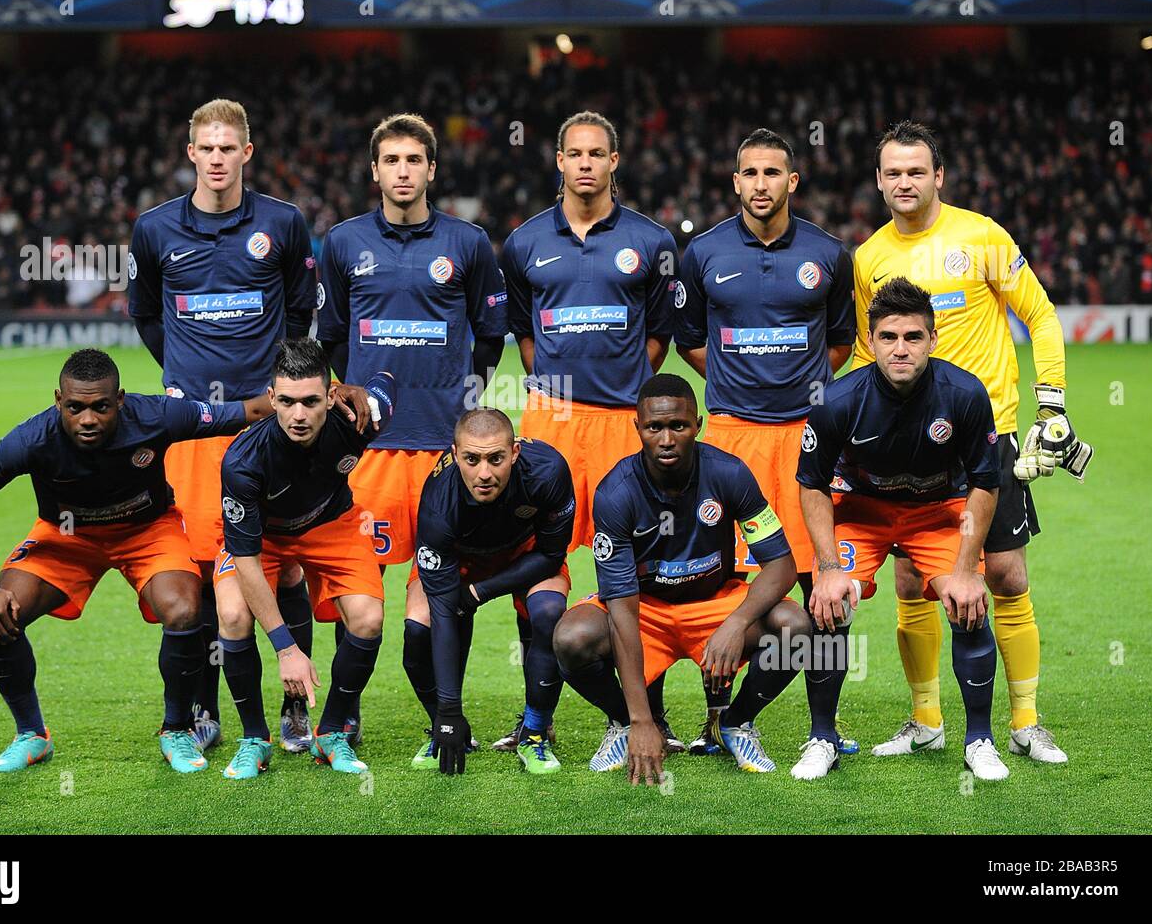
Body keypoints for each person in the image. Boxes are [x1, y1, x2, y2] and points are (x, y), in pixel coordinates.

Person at [853, 121, 1090, 763]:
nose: (905, 182)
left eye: (917, 171)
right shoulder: (869, 256)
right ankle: (925, 717)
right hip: (906, 447)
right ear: (879, 181)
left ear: (939, 177)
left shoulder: (981, 236)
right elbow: (862, 348)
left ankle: (1025, 721)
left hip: (988, 435)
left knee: (1007, 575)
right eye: (893, 172)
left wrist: (1053, 400)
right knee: (910, 582)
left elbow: (1039, 314)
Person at [0, 348, 272, 774]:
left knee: (185, 610)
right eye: (75, 407)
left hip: (147, 533)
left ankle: (177, 730)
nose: (87, 419)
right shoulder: (32, 439)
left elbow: (252, 409)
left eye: (100, 407)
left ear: (120, 400)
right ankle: (31, 735)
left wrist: (327, 395)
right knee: (3, 612)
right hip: (66, 538)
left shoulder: (158, 416)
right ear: (58, 401)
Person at [128, 98, 322, 755]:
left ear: (246, 152)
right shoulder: (154, 229)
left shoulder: (283, 222)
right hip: (192, 434)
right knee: (205, 569)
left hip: (272, 426)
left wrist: (271, 390)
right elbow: (148, 319)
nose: (216, 159)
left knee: (286, 565)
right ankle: (201, 711)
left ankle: (297, 711)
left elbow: (300, 313)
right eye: (204, 148)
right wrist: (189, 385)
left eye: (226, 147)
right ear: (191, 154)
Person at [317, 113, 508, 754]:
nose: (402, 171)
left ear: (431, 169)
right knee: (357, 594)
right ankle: (343, 714)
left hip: (440, 453)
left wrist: (459, 401)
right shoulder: (342, 243)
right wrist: (361, 396)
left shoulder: (469, 243)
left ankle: (444, 717)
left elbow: (488, 337)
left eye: (413, 160)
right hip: (367, 450)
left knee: (439, 594)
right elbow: (335, 336)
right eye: (390, 161)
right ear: (375, 170)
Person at [500, 110, 683, 754]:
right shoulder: (523, 243)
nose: (585, 164)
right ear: (558, 161)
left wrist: (620, 387)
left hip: (619, 425)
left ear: (614, 162)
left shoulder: (652, 241)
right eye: (574, 153)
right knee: (538, 568)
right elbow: (524, 334)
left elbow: (659, 336)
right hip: (549, 422)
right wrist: (555, 389)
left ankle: (646, 716)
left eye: (596, 154)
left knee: (636, 568)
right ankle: (534, 720)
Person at [674, 127, 856, 755]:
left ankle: (823, 731)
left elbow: (839, 344)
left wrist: (796, 395)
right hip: (731, 439)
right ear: (735, 180)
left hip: (807, 439)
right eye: (749, 173)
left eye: (772, 173)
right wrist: (735, 385)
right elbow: (690, 339)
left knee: (823, 587)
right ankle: (716, 721)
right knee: (721, 583)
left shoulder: (829, 254)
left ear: (792, 182)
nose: (760, 185)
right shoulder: (702, 253)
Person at [796, 277, 1008, 781]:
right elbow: (811, 484)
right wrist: (828, 568)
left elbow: (985, 482)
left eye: (913, 337)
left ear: (933, 340)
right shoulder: (836, 399)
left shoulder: (965, 393)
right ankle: (822, 736)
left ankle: (980, 739)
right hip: (862, 512)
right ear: (870, 342)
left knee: (969, 604)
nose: (901, 349)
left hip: (937, 511)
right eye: (888, 337)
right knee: (829, 605)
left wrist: (964, 569)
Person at [553, 374, 808, 783]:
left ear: (698, 425)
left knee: (796, 627)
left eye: (678, 426)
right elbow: (620, 608)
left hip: (714, 605)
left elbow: (781, 564)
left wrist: (736, 623)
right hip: (645, 610)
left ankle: (734, 723)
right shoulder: (615, 493)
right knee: (571, 638)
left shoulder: (729, 473)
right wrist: (640, 720)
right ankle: (623, 723)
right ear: (637, 427)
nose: (667, 439)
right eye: (654, 427)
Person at [212, 339, 394, 779]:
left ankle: (331, 733)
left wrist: (360, 388)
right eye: (288, 401)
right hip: (265, 541)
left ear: (331, 398)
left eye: (311, 401)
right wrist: (285, 649)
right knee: (233, 615)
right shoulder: (242, 461)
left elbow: (388, 382)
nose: (298, 415)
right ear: (271, 398)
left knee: (368, 619)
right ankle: (254, 739)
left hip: (332, 526)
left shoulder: (358, 421)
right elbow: (247, 559)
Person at [414, 409, 575, 775]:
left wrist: (478, 593)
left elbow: (550, 556)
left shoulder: (548, 471)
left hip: (527, 551)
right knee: (417, 628)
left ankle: (534, 733)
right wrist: (449, 710)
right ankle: (443, 726)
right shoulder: (438, 502)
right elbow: (443, 610)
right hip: (461, 556)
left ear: (515, 452)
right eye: (472, 459)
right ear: (455, 454)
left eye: (496, 459)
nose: (484, 473)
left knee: (549, 614)